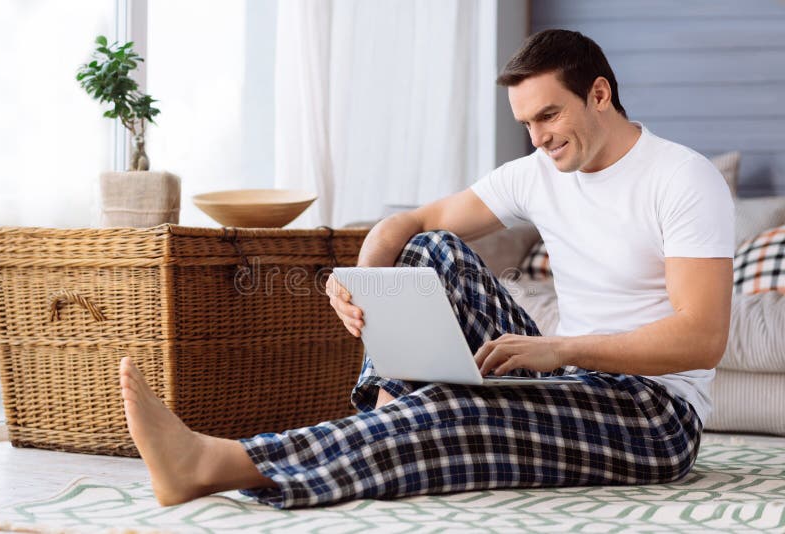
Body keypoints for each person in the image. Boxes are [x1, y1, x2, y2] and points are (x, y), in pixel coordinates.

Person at [119, 29, 734, 508]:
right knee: (429, 252)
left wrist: (563, 348)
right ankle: (391, 414)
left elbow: (701, 337)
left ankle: (216, 464)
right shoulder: (538, 173)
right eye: (526, 124)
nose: (537, 138)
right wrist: (356, 283)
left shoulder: (681, 179)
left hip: (655, 414)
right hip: (573, 379)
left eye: (548, 116)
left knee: (461, 410)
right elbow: (407, 225)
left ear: (599, 94)